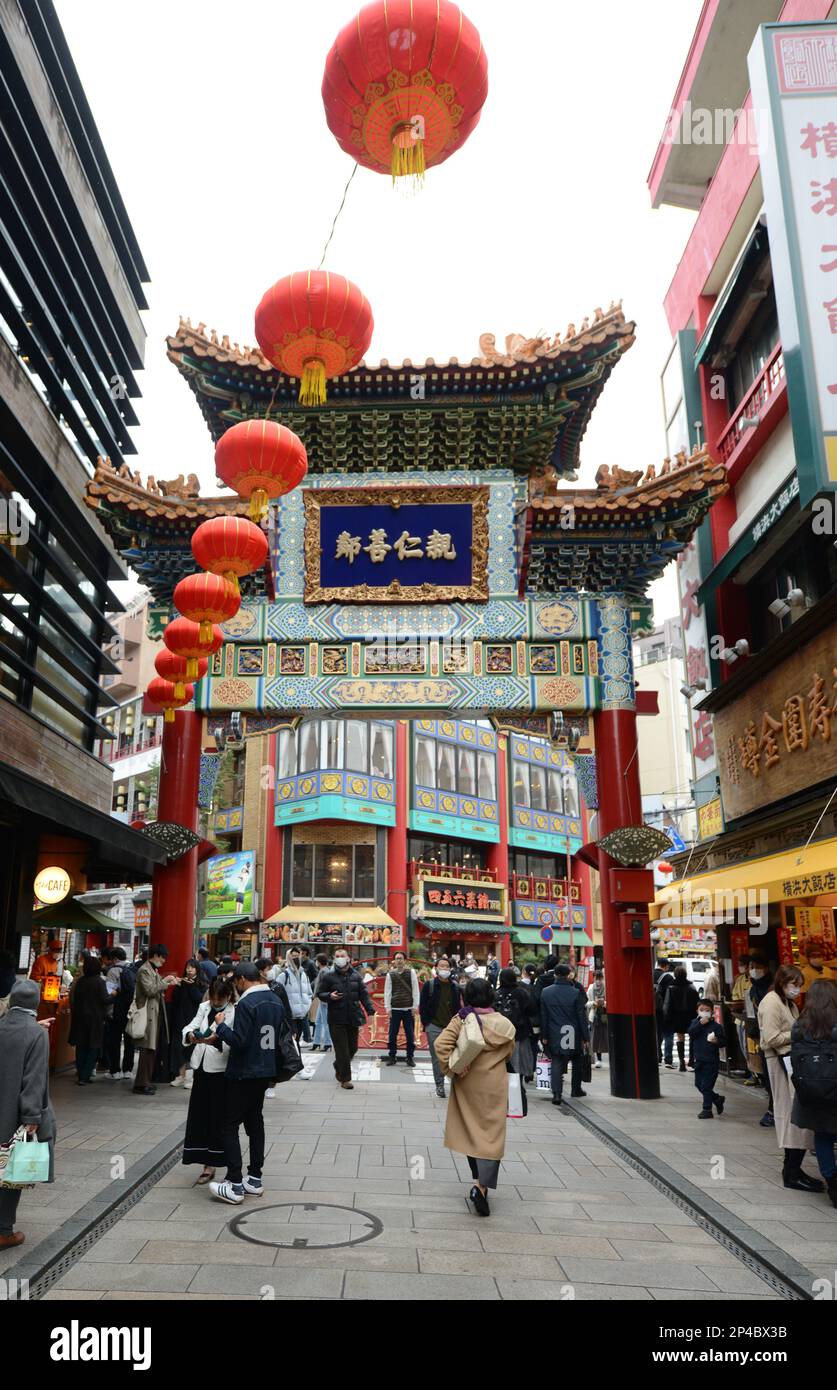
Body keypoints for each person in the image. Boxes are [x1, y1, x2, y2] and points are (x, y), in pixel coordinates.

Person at [432, 977, 516, 1217]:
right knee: (491, 1135)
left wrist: (454, 1068)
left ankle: (478, 1181)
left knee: (471, 1131)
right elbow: (509, 1053)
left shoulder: (463, 1019)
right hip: (495, 1084)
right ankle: (482, 1187)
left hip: (469, 1083)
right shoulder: (505, 1024)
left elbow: (441, 1045)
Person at [210, 962, 285, 1204]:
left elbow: (239, 1041)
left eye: (235, 983)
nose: (234, 988)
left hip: (244, 1071)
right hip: (265, 1071)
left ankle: (233, 1182)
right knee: (255, 1123)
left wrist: (221, 1026)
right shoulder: (274, 1000)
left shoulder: (246, 1004)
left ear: (242, 980)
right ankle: (254, 1178)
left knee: (228, 1124)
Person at [0, 979, 56, 1248]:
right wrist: (32, 1117)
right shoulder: (37, 1034)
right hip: (14, 1115)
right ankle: (4, 1230)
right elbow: (34, 1080)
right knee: (12, 1172)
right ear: (35, 1005)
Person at [758, 964, 823, 1192]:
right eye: (794, 985)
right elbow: (771, 1038)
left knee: (797, 1114)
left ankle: (793, 1168)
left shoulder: (787, 1002)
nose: (797, 989)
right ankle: (791, 1171)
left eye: (799, 985)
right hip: (779, 1063)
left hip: (792, 1062)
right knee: (790, 1114)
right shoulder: (771, 1002)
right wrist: (800, 1032)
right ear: (782, 982)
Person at [182, 975, 236, 1185]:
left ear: (228, 996)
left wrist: (217, 1040)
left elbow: (234, 1039)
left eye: (219, 999)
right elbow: (189, 1026)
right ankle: (205, 1162)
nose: (215, 1002)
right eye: (213, 998)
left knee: (218, 1118)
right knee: (200, 1116)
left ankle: (216, 1162)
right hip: (202, 1068)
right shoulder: (204, 1007)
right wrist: (191, 1036)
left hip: (221, 1070)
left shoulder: (235, 1010)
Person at [790, 979, 837, 1206]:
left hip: (811, 1091)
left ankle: (832, 1181)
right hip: (835, 1090)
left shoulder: (800, 1025)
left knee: (823, 1136)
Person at [316, 949, 376, 1089]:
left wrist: (370, 1011)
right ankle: (345, 1079)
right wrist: (330, 996)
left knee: (353, 1048)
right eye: (337, 956)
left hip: (353, 1017)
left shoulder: (356, 976)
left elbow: (364, 995)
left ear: (348, 958)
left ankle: (338, 1065)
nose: (340, 958)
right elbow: (319, 993)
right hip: (336, 1019)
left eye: (342, 956)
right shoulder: (328, 976)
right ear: (334, 958)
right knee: (342, 1050)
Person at [539, 963, 589, 1104]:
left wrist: (544, 1036)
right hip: (573, 1032)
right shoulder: (575, 992)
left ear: (555, 974)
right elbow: (581, 1016)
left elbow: (544, 1016)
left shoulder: (546, 992)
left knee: (556, 1061)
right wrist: (585, 1036)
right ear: (568, 975)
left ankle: (557, 1094)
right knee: (577, 1060)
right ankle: (576, 1089)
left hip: (554, 1031)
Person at [132, 944, 178, 1095]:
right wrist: (166, 982)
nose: (164, 961)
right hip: (147, 1015)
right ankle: (140, 1084)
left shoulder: (152, 969)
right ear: (156, 955)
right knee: (146, 1051)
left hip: (153, 1015)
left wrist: (167, 980)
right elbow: (150, 990)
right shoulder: (144, 970)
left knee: (151, 1051)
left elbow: (156, 986)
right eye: (163, 957)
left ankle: (145, 1081)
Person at [419, 957, 461, 1098]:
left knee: (454, 1056)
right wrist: (427, 1024)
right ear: (436, 968)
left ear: (450, 969)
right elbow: (422, 1006)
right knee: (437, 1057)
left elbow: (458, 1007)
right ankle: (440, 1084)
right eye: (441, 966)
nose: (444, 969)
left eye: (446, 966)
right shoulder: (429, 985)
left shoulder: (455, 986)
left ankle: (455, 1082)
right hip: (434, 1026)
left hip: (451, 1027)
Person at [68, 955, 111, 1085]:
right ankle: (85, 1075)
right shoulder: (100, 982)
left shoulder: (80, 981)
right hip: (95, 1019)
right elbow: (105, 1000)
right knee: (93, 1047)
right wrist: (114, 995)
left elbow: (74, 998)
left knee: (81, 1047)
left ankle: (81, 1074)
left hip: (80, 1017)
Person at [494, 966, 537, 1095]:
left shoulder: (495, 994)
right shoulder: (522, 993)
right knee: (518, 1066)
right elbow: (532, 1010)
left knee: (501, 1065)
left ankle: (502, 1089)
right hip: (519, 1034)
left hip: (499, 1036)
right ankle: (517, 1089)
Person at [747, 955, 775, 1126]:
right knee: (768, 1077)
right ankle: (773, 1109)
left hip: (773, 1039)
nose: (753, 969)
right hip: (764, 1037)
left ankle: (773, 1110)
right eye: (751, 966)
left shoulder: (772, 989)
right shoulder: (754, 987)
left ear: (765, 967)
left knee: (774, 1078)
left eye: (756, 966)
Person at [169, 960, 205, 1088]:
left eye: (192, 968)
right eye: (188, 967)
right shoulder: (182, 982)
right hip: (180, 1018)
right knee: (179, 1047)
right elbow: (175, 999)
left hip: (194, 1019)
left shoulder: (201, 983)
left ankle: (190, 1078)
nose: (189, 970)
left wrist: (191, 986)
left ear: (197, 970)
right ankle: (180, 1075)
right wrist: (178, 986)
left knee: (192, 1048)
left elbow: (200, 999)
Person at [687, 998, 726, 1118]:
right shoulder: (695, 1023)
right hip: (699, 1059)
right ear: (697, 1011)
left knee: (707, 1086)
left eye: (707, 1010)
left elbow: (723, 1042)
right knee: (699, 1084)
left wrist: (716, 1041)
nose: (704, 1012)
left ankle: (707, 1109)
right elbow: (691, 1033)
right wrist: (699, 1024)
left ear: (712, 1012)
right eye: (701, 1010)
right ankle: (717, 1099)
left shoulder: (716, 1026)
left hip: (711, 1060)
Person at [383, 951, 420, 1068]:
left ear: (405, 960)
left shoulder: (411, 973)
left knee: (410, 1034)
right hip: (395, 1009)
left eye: (401, 958)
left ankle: (409, 1057)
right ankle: (392, 1056)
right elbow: (387, 992)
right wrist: (388, 1008)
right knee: (392, 1034)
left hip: (408, 1009)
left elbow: (415, 990)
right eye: (397, 958)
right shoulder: (390, 975)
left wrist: (415, 1006)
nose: (399, 960)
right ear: (394, 961)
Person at [662, 965, 699, 1072]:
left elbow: (667, 1004)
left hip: (677, 1017)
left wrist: (667, 1018)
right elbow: (697, 1002)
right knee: (692, 1038)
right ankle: (692, 1060)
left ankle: (682, 1062)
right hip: (691, 1016)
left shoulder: (671, 987)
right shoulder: (691, 987)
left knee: (680, 1037)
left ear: (675, 974)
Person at [275, 947, 313, 1045]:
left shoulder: (304, 974)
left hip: (302, 1015)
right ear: (288, 957)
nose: (295, 958)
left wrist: (307, 1005)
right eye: (293, 956)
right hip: (289, 1016)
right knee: (290, 1043)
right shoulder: (284, 974)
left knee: (296, 1043)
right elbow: (277, 992)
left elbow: (309, 992)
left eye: (297, 956)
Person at [729, 953, 753, 1079]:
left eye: (742, 965)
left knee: (752, 1047)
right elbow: (735, 997)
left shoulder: (756, 980)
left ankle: (755, 1072)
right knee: (744, 1046)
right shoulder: (739, 979)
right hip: (740, 1018)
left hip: (753, 1019)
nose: (741, 968)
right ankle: (751, 1071)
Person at [654, 958, 675, 1067]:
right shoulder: (668, 978)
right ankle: (668, 1059)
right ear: (666, 966)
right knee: (668, 1034)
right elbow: (672, 995)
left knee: (656, 1033)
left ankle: (657, 1056)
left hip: (652, 1010)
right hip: (665, 1010)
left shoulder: (650, 974)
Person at [310, 953, 332, 1053]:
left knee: (324, 1022)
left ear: (318, 962)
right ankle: (316, 1042)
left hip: (324, 999)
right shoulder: (325, 970)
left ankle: (327, 1043)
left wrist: (314, 995)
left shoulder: (324, 971)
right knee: (318, 1022)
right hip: (323, 999)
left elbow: (320, 985)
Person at [587, 969, 608, 1067]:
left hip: (605, 1015)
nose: (598, 981)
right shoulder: (591, 988)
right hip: (594, 1015)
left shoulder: (606, 987)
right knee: (595, 1036)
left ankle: (602, 1056)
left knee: (605, 1036)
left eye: (600, 978)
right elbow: (587, 1002)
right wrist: (593, 1003)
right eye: (596, 978)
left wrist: (604, 1003)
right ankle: (597, 1058)